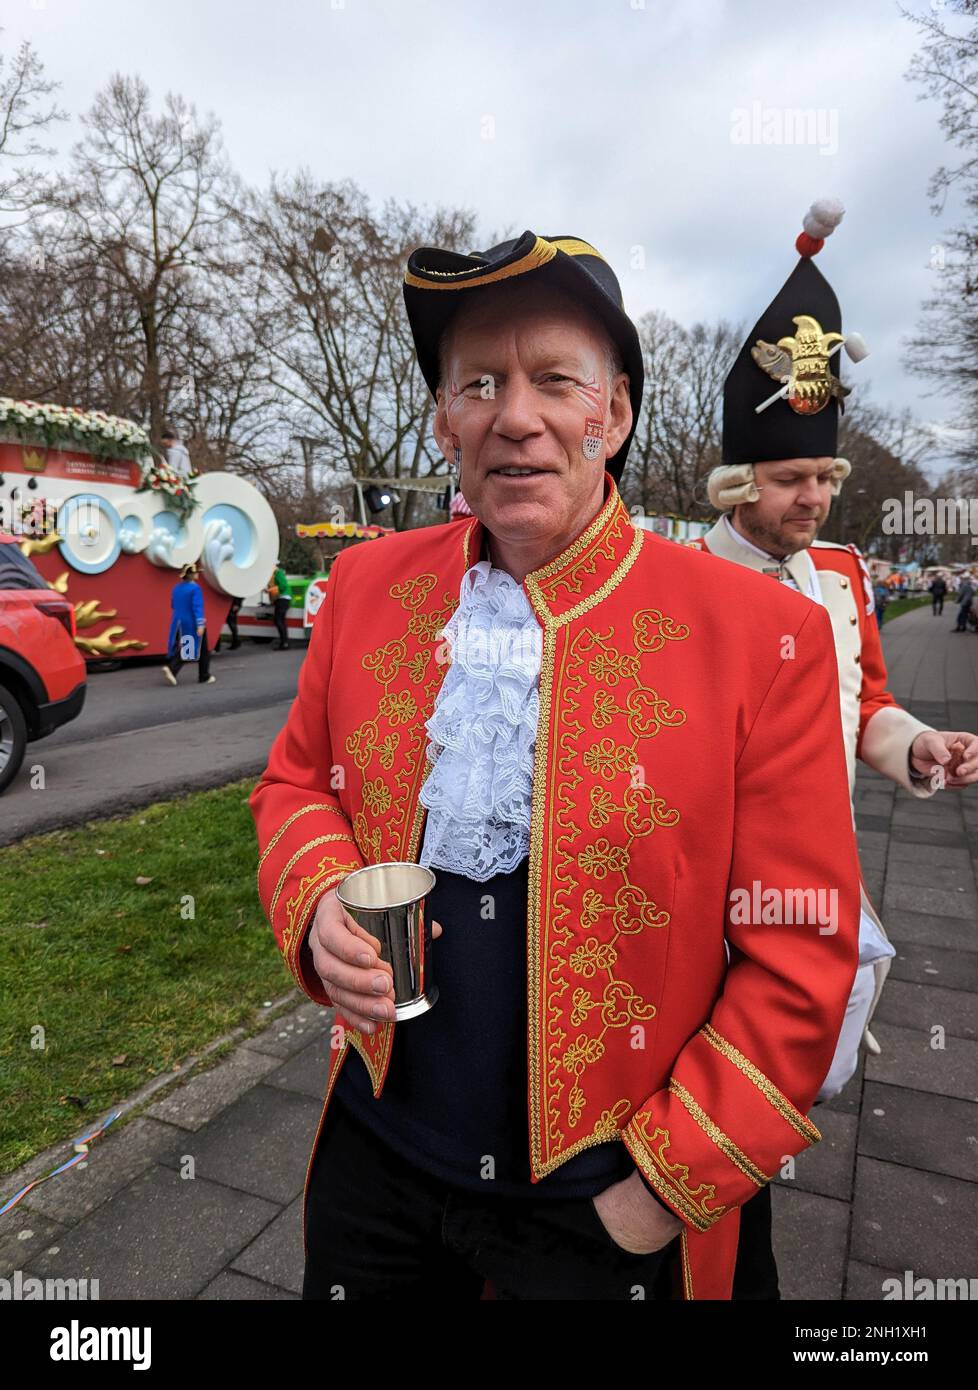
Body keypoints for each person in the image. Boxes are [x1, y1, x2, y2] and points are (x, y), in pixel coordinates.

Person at [250, 229, 862, 1302]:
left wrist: (652, 1198)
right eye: (478, 382)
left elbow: (804, 955)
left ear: (612, 415)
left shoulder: (764, 634)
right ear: (446, 419)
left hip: (607, 1207)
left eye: (554, 381)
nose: (515, 415)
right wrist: (316, 904)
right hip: (377, 1170)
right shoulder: (363, 586)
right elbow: (296, 784)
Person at [695, 200, 978, 1297]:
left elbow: (870, 706)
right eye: (791, 480)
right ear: (736, 482)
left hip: (821, 884)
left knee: (779, 1103)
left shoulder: (847, 578)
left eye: (824, 478)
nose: (813, 497)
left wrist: (917, 748)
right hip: (711, 901)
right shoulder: (684, 587)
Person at [162, 562, 215, 686]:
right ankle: (175, 669)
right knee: (195, 648)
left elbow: (173, 605)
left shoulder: (176, 588)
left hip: (178, 621)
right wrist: (200, 623)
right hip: (192, 621)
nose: (197, 574)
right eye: (196, 572)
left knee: (196, 648)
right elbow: (197, 607)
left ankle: (203, 675)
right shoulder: (195, 588)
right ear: (191, 575)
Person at [268, 562, 292, 649]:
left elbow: (283, 586)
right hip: (282, 599)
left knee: (278, 620)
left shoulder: (278, 573)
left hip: (283, 598)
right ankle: (284, 642)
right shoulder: (276, 573)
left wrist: (270, 590)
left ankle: (284, 643)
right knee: (280, 620)